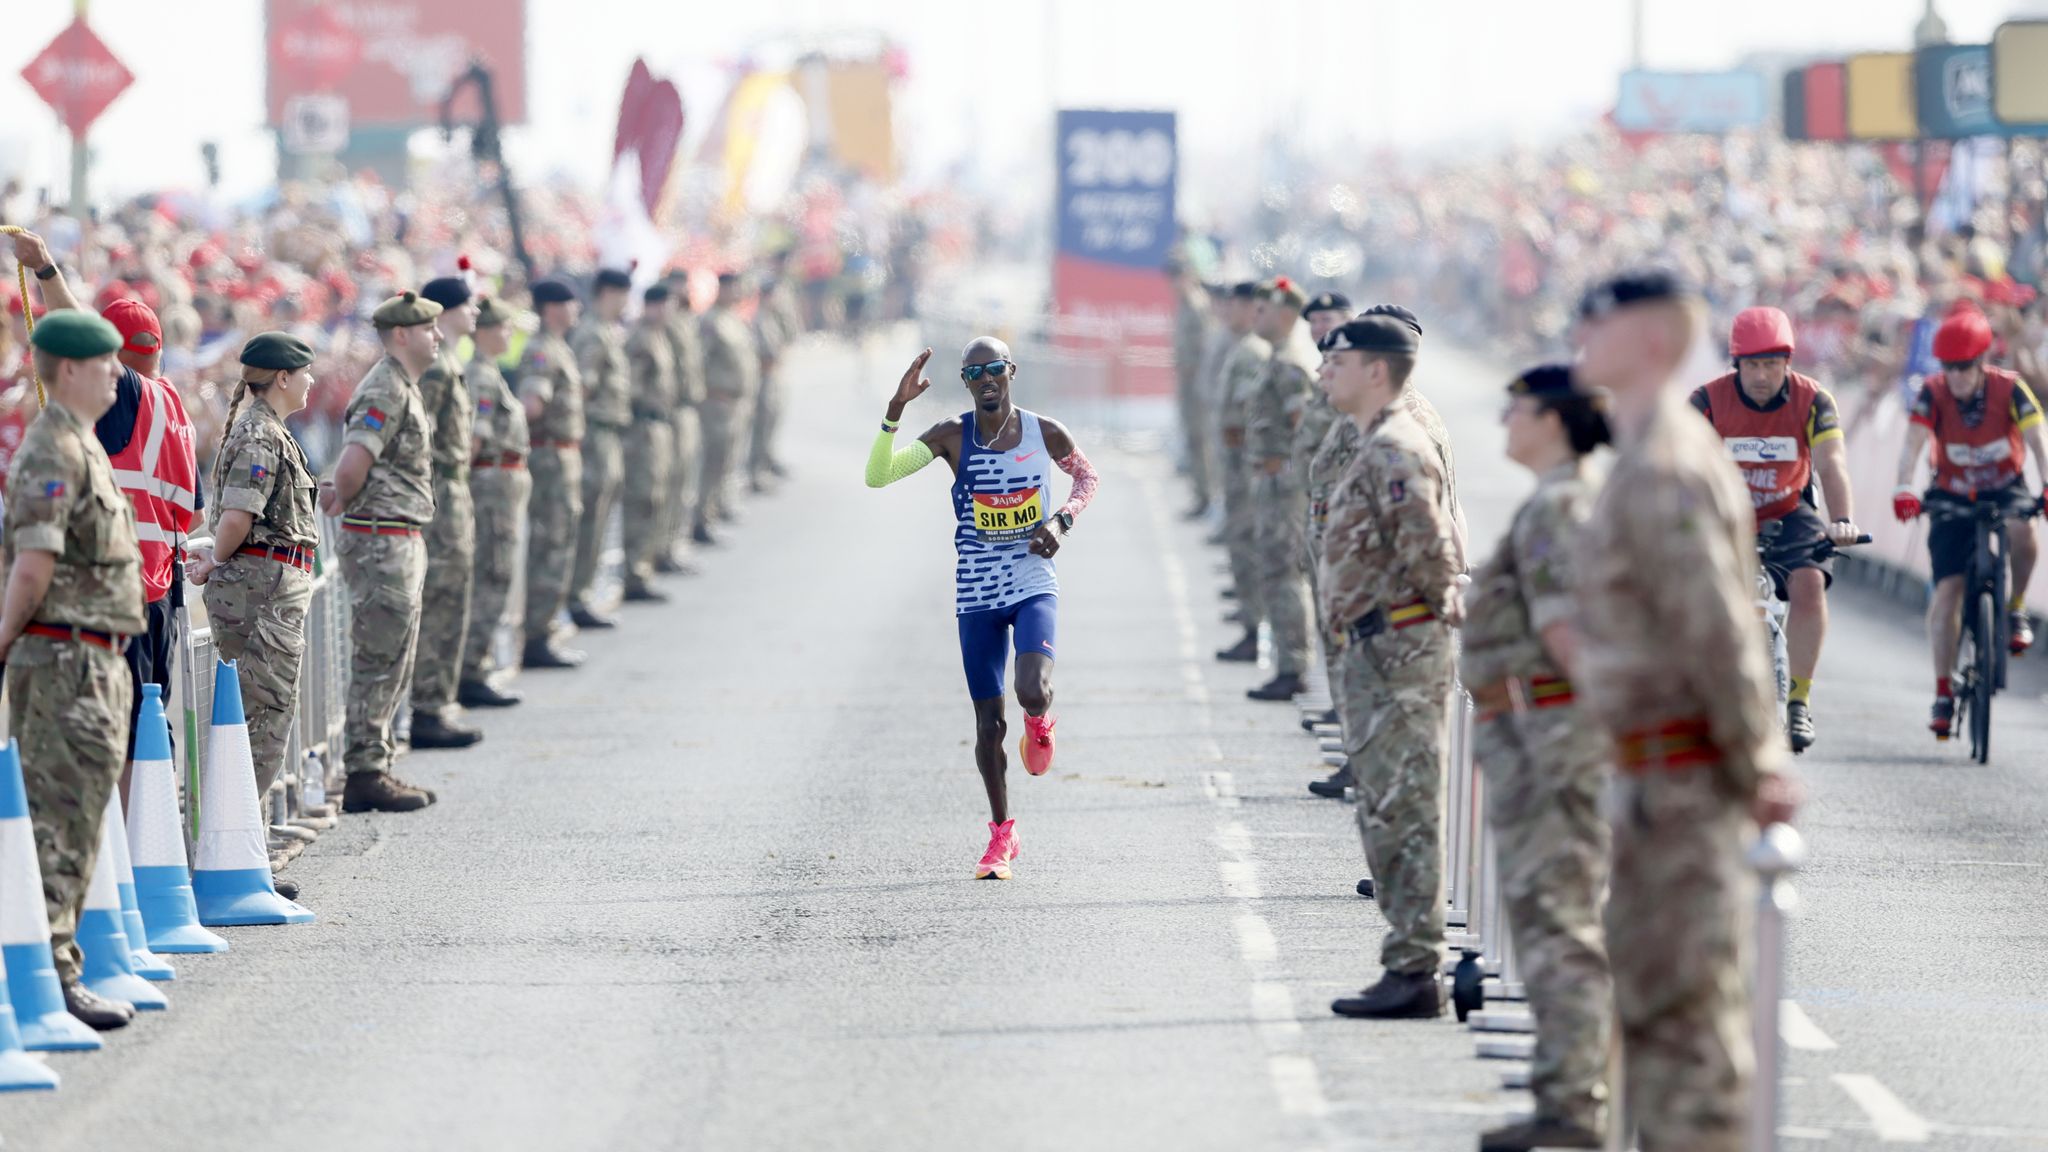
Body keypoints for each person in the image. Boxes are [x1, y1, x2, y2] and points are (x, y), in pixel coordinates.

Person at [1573, 270, 1799, 1151]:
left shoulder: (1667, 463)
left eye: (1606, 319)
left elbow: (1719, 631)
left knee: (1690, 1045)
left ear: (1659, 340)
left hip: (1685, 782)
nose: (1585, 331)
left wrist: (1758, 764)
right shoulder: (1641, 451)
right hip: (1648, 777)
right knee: (1654, 1029)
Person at [864, 340, 1099, 880]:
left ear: (1011, 372)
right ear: (967, 382)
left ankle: (1039, 723)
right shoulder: (951, 435)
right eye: (976, 373)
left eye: (996, 369)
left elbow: (1087, 478)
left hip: (1032, 578)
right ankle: (1001, 836)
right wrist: (895, 410)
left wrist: (1061, 522)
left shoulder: (1046, 432)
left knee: (1031, 690)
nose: (987, 379)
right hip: (976, 590)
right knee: (989, 726)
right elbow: (878, 476)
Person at [1462, 365, 1614, 1152]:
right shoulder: (1560, 497)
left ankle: (1573, 1106)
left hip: (1552, 739)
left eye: (1515, 410)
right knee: (1553, 917)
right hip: (1544, 732)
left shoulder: (1560, 503)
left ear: (1552, 420)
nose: (1505, 425)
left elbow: (1566, 633)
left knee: (1558, 922)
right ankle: (1570, 1091)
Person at [7, 231, 201, 806]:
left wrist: (45, 270)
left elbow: (80, 331)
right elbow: (187, 513)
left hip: (117, 588)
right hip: (160, 585)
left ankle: (131, 862)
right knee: (148, 719)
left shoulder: (129, 396)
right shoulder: (174, 406)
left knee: (115, 731)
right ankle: (156, 853)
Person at [0, 309, 147, 1030]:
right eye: (106, 363)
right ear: (67, 371)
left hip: (93, 657)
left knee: (79, 820)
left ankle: (55, 968)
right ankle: (47, 980)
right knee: (58, 824)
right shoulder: (53, 447)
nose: (118, 375)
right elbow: (33, 565)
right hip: (65, 659)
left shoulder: (80, 443)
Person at [1317, 313, 1461, 1020]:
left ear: (1376, 371)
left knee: (1404, 809)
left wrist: (1420, 622)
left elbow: (1431, 552)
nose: (1324, 373)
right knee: (1384, 808)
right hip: (1376, 646)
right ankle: (1407, 961)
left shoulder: (1396, 446)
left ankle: (1416, 969)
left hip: (1400, 648)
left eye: (1338, 362)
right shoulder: (1375, 440)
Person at [1690, 307, 1861, 751]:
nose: (1761, 375)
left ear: (1787, 363)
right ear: (1736, 365)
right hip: (1725, 513)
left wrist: (1841, 519)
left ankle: (1798, 702)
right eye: (1751, 365)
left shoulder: (1815, 400)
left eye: (1771, 364)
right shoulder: (1706, 402)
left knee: (1808, 586)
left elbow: (1831, 462)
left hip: (1789, 510)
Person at [187, 333, 321, 899]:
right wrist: (214, 558)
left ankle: (247, 845)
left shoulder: (262, 427)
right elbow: (241, 515)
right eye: (305, 372)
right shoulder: (261, 431)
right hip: (261, 591)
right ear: (283, 377)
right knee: (263, 721)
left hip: (265, 586)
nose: (312, 380)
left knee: (261, 717)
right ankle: (239, 854)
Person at [1891, 305, 2048, 737]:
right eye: (1949, 367)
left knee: (2024, 530)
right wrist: (1904, 487)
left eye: (1964, 367)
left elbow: (2038, 438)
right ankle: (1943, 692)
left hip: (2004, 485)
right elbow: (1912, 443)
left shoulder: (2011, 389)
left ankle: (2015, 610)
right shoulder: (1933, 391)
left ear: (1982, 361)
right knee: (1947, 597)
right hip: (1951, 492)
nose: (1956, 376)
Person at [321, 292, 443, 814]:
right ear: (401, 335)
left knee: (393, 657)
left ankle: (376, 764)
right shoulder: (386, 386)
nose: (436, 337)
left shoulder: (401, 385)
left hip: (396, 535)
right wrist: (343, 496)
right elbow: (352, 465)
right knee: (379, 656)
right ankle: (365, 771)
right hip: (381, 538)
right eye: (427, 329)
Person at [407, 276, 484, 749]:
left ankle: (440, 700)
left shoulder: (451, 362)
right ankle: (428, 706)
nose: (475, 312)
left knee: (454, 595)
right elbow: (422, 439)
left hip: (455, 489)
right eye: (468, 304)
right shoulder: (437, 371)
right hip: (440, 492)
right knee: (441, 598)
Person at [1242, 277, 1318, 703]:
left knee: (1284, 573)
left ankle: (1293, 666)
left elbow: (1302, 430)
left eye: (1263, 310)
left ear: (1286, 315)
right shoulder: (1275, 359)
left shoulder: (1289, 365)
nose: (1256, 317)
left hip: (1284, 486)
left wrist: (1289, 477)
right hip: (1271, 482)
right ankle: (1287, 664)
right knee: (1273, 570)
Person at [457, 295, 529, 708]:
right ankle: (472, 670)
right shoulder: (481, 376)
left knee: (495, 573)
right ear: (485, 331)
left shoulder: (489, 373)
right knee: (492, 574)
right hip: (491, 487)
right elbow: (475, 441)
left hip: (500, 483)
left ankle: (474, 666)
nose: (510, 335)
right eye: (504, 327)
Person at [516, 279, 588, 670]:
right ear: (550, 309)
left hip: (564, 455)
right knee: (550, 544)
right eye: (568, 303)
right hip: (550, 456)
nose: (575, 309)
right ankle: (537, 636)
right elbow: (532, 404)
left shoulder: (560, 347)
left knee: (561, 543)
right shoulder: (541, 350)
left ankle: (545, 630)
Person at [567, 268, 632, 631]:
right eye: (622, 294)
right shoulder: (593, 332)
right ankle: (576, 596)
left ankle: (583, 592)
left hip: (608, 432)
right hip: (594, 434)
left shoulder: (607, 331)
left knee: (601, 515)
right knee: (590, 518)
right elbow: (583, 390)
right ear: (608, 292)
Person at [1214, 282, 1274, 663]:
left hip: (1248, 465)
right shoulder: (1242, 347)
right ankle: (1252, 623)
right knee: (1240, 541)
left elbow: (1255, 414)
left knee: (1249, 543)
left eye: (1233, 304)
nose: (1225, 311)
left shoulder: (1253, 352)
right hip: (1237, 463)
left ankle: (1257, 629)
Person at [621, 283, 678, 602]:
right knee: (641, 499)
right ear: (654, 306)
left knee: (656, 498)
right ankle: (634, 572)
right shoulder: (641, 339)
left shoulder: (659, 336)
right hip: (642, 427)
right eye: (668, 304)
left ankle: (644, 566)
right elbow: (632, 387)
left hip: (658, 426)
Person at [696, 272, 759, 544]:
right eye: (732, 288)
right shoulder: (710, 322)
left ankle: (716, 507)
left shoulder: (734, 320)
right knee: (711, 462)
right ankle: (700, 519)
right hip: (716, 401)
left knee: (726, 460)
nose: (736, 293)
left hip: (735, 402)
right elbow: (699, 361)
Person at [655, 269, 705, 573]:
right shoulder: (666, 326)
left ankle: (672, 544)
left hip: (687, 408)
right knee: (670, 484)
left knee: (683, 482)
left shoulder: (687, 321)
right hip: (670, 412)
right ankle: (662, 549)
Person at [1172, 256, 1217, 518]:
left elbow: (1203, 347)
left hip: (1198, 384)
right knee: (1193, 439)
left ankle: (1208, 496)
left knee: (1201, 441)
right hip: (1189, 383)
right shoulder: (1185, 305)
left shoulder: (1197, 305)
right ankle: (1201, 494)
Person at [751, 257, 801, 489]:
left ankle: (766, 463)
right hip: (763, 378)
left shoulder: (771, 318)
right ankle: (756, 470)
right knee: (761, 427)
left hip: (774, 376)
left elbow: (790, 335)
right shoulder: (758, 320)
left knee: (772, 422)